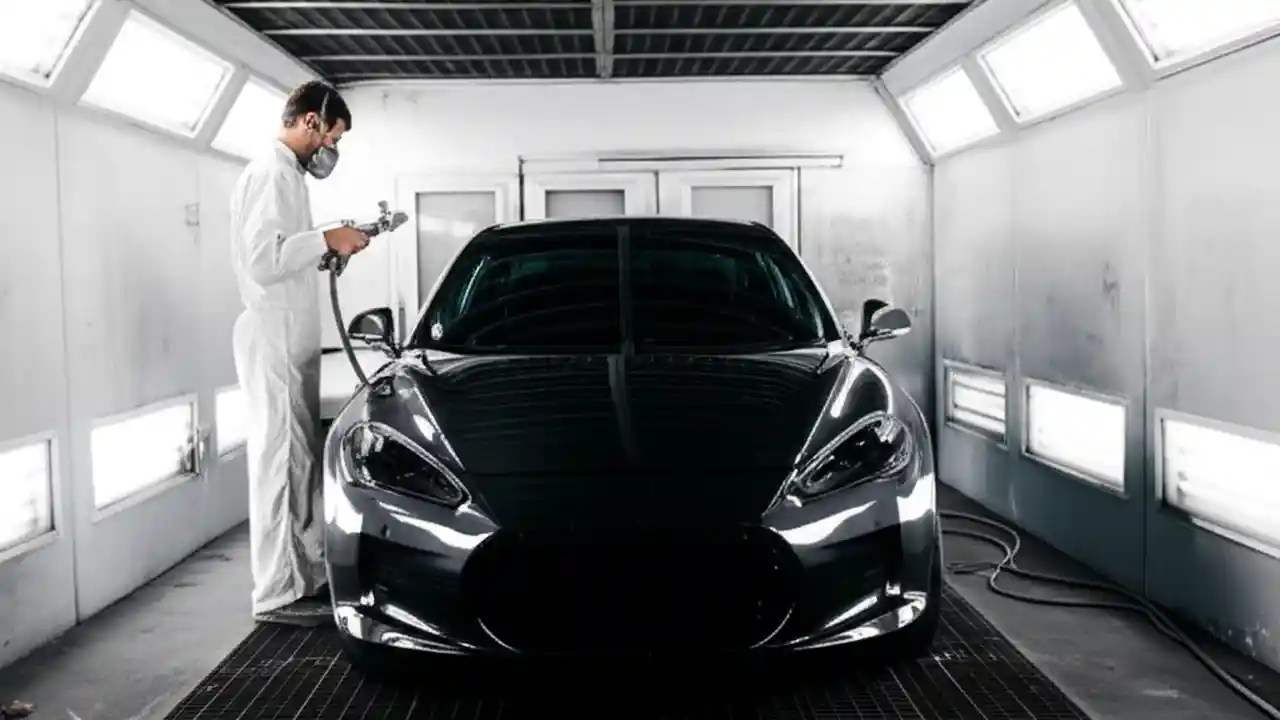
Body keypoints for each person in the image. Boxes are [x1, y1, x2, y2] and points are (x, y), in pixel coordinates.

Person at [229, 81, 369, 626]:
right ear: (312, 121)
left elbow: (284, 254)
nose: (331, 149)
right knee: (282, 464)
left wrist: (325, 249)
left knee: (299, 461)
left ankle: (304, 577)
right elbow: (262, 260)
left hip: (290, 336)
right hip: (274, 336)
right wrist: (326, 239)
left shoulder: (287, 175)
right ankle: (278, 593)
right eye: (332, 136)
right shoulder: (270, 173)